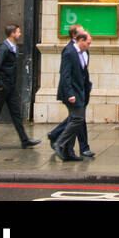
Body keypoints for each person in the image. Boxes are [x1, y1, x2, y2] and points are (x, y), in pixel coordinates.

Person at [0, 23, 39, 151]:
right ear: (12, 34)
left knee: (16, 114)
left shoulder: (13, 47)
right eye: (18, 32)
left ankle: (24, 141)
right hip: (3, 88)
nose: (20, 34)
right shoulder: (4, 49)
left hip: (11, 88)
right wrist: (1, 86)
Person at [48, 25, 94, 158]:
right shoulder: (69, 51)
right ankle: (60, 143)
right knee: (78, 119)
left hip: (82, 91)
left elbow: (83, 72)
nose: (88, 46)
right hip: (72, 92)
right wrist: (70, 94)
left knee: (75, 119)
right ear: (78, 38)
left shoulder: (83, 51)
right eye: (87, 42)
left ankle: (68, 151)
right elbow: (65, 75)